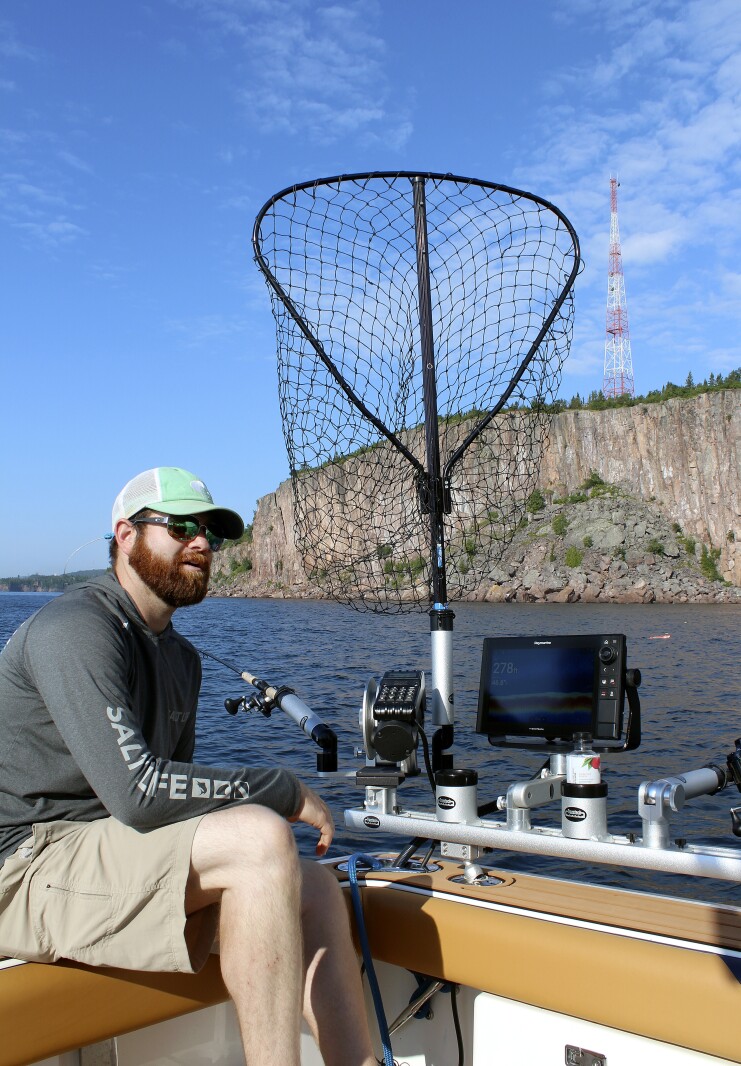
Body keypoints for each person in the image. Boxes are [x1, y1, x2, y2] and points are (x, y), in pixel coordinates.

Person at [0, 466, 376, 1066]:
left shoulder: (181, 659)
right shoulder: (75, 629)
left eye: (210, 532)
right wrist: (278, 788)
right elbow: (141, 793)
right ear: (125, 535)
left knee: (318, 890)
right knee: (260, 839)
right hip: (24, 864)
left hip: (106, 853)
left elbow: (178, 806)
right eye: (179, 527)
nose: (200, 543)